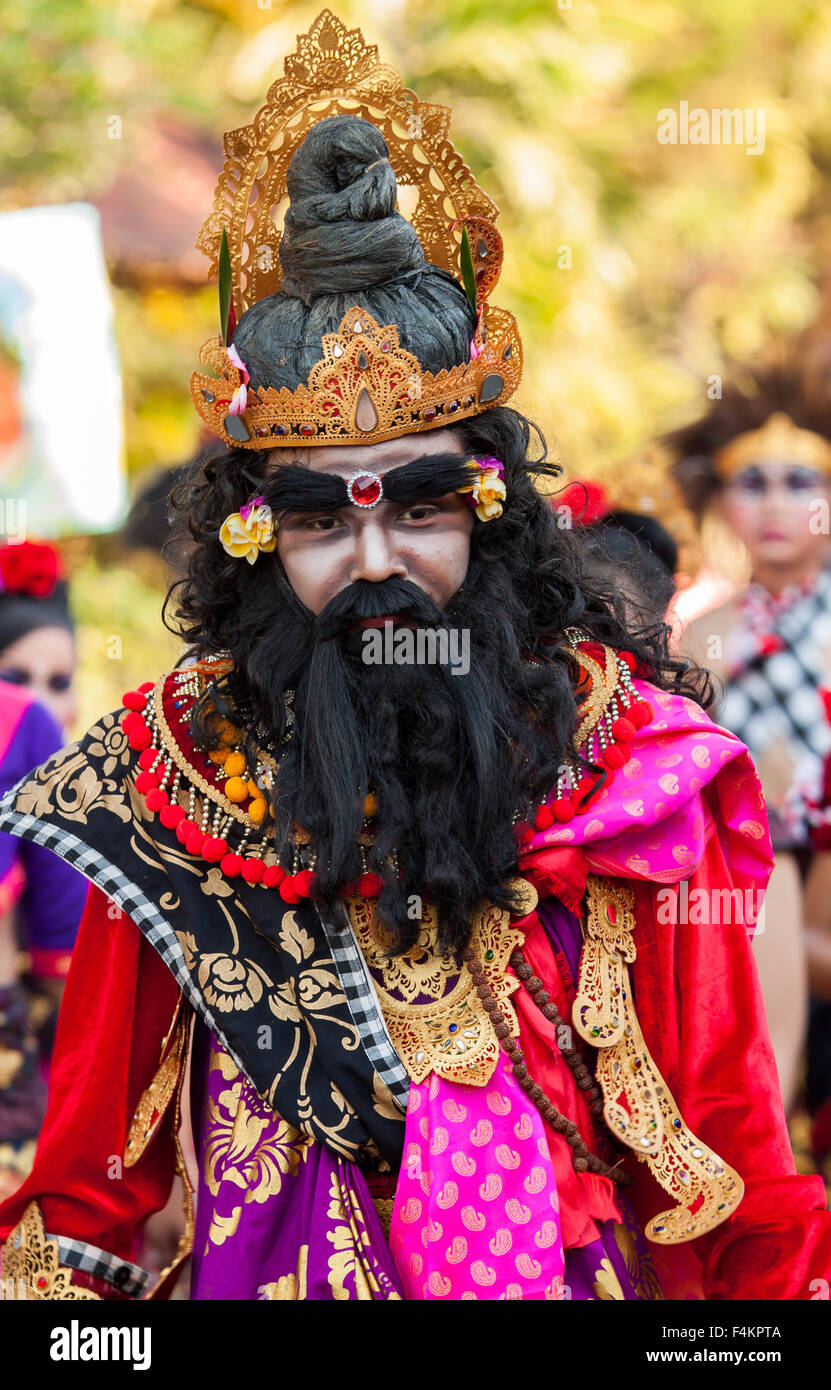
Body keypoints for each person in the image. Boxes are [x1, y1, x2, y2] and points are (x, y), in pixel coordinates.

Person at [0, 12, 828, 1302]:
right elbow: (82, 1216)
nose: (375, 563)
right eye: (323, 520)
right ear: (253, 537)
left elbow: (739, 1186)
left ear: (490, 512)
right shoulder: (160, 789)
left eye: (420, 507)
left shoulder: (636, 774)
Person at [670, 367, 831, 1113]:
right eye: (750, 482)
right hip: (746, 882)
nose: (773, 504)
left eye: (800, 482)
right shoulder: (704, 635)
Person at [0, 539, 86, 1197]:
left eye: (61, 683)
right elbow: (63, 935)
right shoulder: (22, 729)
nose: (39, 702)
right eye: (17, 677)